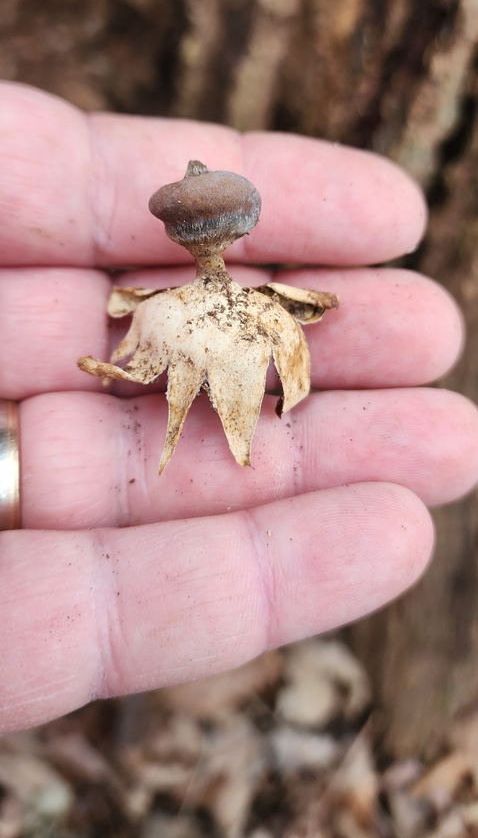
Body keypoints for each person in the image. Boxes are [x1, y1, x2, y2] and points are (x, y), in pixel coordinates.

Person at [1, 80, 477, 736]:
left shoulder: (167, 311)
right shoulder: (236, 310)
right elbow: (136, 364)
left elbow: (128, 364)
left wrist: (117, 365)